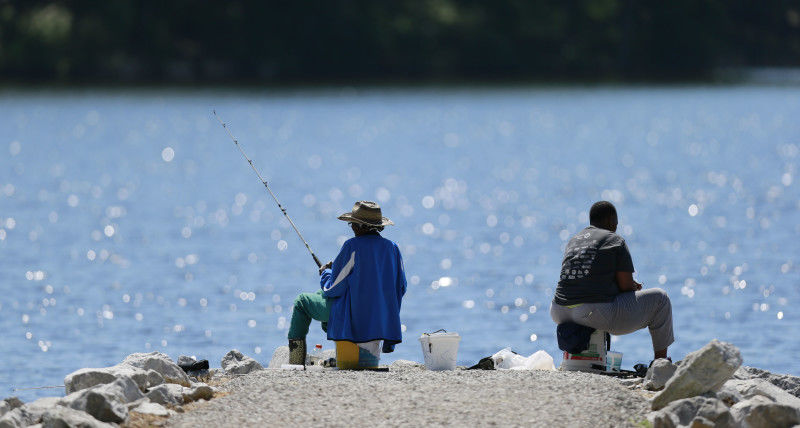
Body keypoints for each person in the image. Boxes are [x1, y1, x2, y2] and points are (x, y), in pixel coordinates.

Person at [550, 201, 674, 360]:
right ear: (610, 221)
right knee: (661, 299)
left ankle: (581, 359)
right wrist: (634, 286)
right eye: (615, 222)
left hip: (558, 310)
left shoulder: (574, 240)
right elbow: (625, 285)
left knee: (599, 300)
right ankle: (660, 364)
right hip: (591, 312)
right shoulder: (614, 239)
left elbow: (583, 277)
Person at [287, 201, 407, 365]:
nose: (351, 228)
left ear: (359, 226)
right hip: (382, 319)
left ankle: (295, 362)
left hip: (355, 317)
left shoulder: (352, 246)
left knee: (302, 302)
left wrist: (325, 273)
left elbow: (332, 288)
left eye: (352, 224)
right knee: (319, 295)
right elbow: (401, 286)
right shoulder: (393, 249)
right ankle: (344, 354)